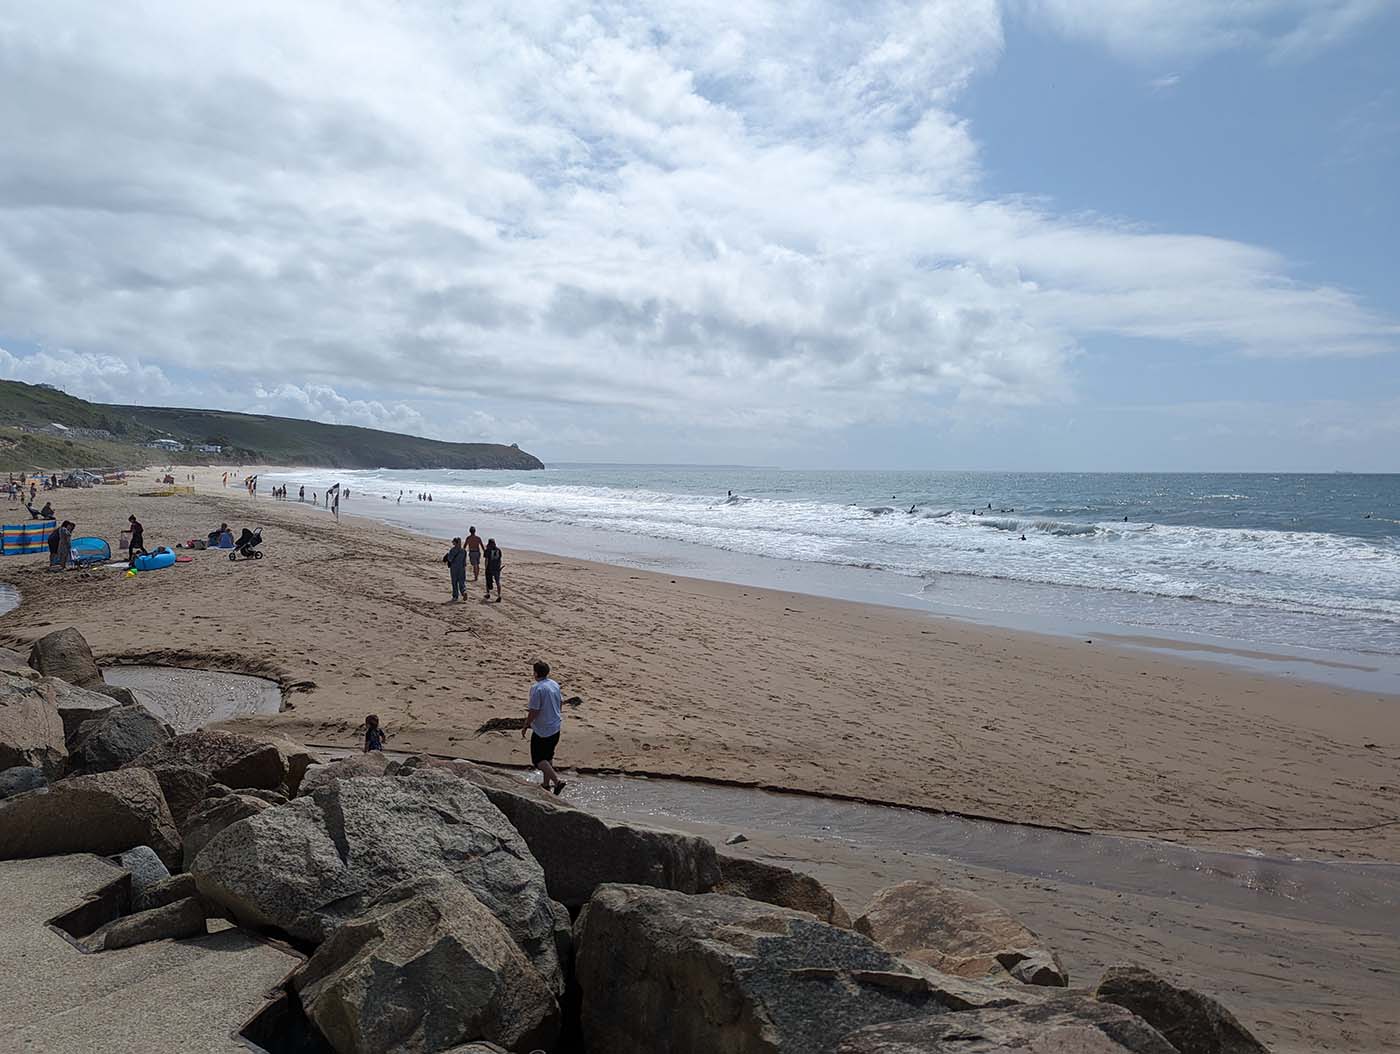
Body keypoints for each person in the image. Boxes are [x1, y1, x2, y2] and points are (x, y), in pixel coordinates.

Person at [522, 660, 565, 794]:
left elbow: (534, 710)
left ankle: (557, 782)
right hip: (555, 726)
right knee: (548, 757)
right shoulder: (554, 684)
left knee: (538, 760)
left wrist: (526, 724)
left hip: (543, 730)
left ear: (535, 673)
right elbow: (560, 702)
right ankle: (546, 784)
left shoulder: (537, 688)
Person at [443, 537, 468, 601]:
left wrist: (447, 557)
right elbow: (464, 562)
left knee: (454, 582)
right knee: (462, 582)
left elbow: (450, 559)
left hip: (454, 568)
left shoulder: (452, 550)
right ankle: (463, 592)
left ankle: (455, 596)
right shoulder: (464, 551)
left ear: (455, 543)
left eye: (453, 542)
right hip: (462, 568)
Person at [482, 538, 502, 602]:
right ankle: (499, 595)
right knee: (497, 582)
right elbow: (500, 560)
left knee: (488, 581)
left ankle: (488, 594)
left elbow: (486, 560)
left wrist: (485, 567)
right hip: (497, 568)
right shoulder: (499, 550)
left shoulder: (487, 550)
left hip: (490, 568)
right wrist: (499, 566)